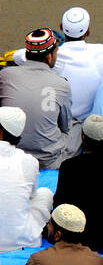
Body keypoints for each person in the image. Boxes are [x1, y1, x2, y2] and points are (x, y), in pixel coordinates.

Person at [0, 29, 82, 168]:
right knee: (78, 127)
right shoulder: (61, 84)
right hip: (47, 159)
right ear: (49, 57)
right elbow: (65, 126)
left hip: (9, 148)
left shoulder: (6, 75)